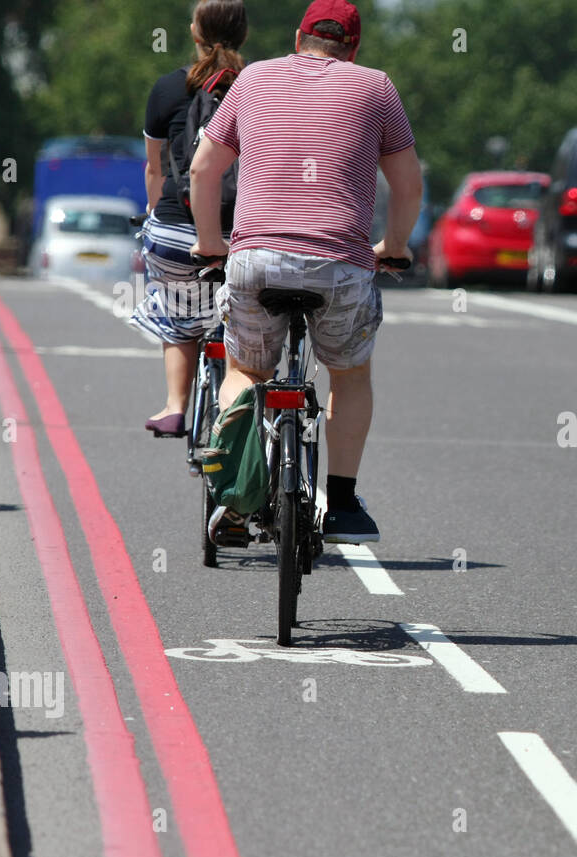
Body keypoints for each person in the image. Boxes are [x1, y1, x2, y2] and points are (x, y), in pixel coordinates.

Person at [189, 0, 421, 544]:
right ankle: (340, 504)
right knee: (350, 374)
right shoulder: (377, 87)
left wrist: (210, 244)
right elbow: (408, 185)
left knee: (246, 371)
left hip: (256, 261)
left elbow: (203, 169)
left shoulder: (252, 81)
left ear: (299, 38)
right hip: (341, 262)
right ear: (354, 48)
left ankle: (237, 501)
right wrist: (396, 246)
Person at [135, 0, 248, 437]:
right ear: (243, 34)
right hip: (244, 230)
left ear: (193, 32)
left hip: (175, 228)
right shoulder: (259, 86)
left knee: (176, 311)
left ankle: (175, 405)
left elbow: (155, 169)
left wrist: (151, 214)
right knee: (250, 318)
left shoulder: (168, 87)